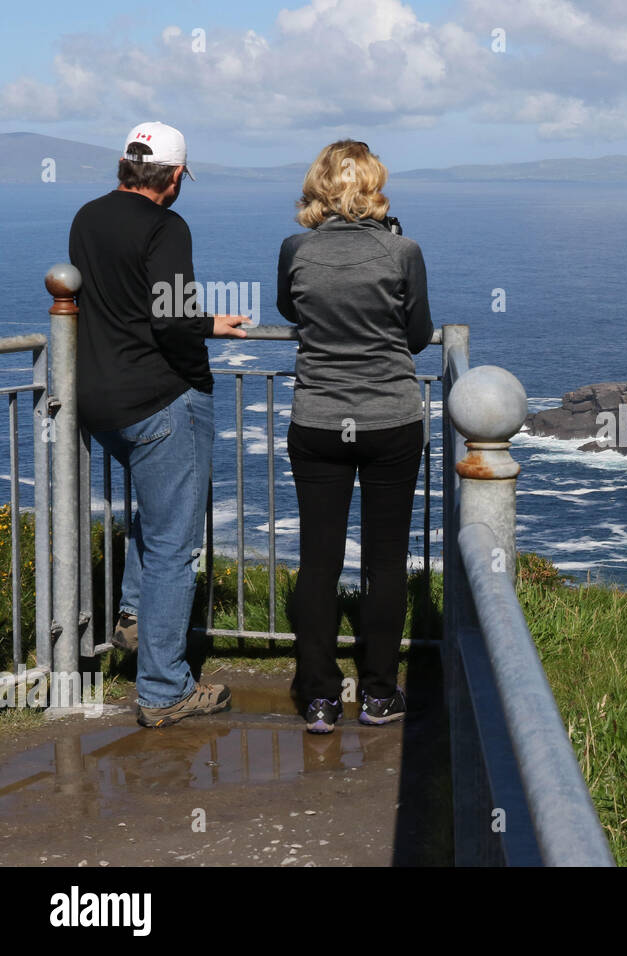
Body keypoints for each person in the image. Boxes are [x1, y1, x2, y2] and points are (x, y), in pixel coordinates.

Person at [69, 121, 249, 727]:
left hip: (98, 401)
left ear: (126, 166)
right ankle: (163, 691)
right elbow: (171, 318)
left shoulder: (86, 217)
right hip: (157, 400)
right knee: (176, 544)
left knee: (159, 513)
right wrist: (210, 324)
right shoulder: (166, 227)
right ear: (173, 177)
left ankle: (133, 618)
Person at [277, 140, 433, 734]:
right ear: (374, 187)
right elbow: (417, 336)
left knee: (318, 560)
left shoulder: (295, 249)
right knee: (385, 563)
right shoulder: (403, 251)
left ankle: (318, 697)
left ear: (318, 186)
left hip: (317, 419)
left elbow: (288, 310)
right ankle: (377, 693)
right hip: (390, 419)